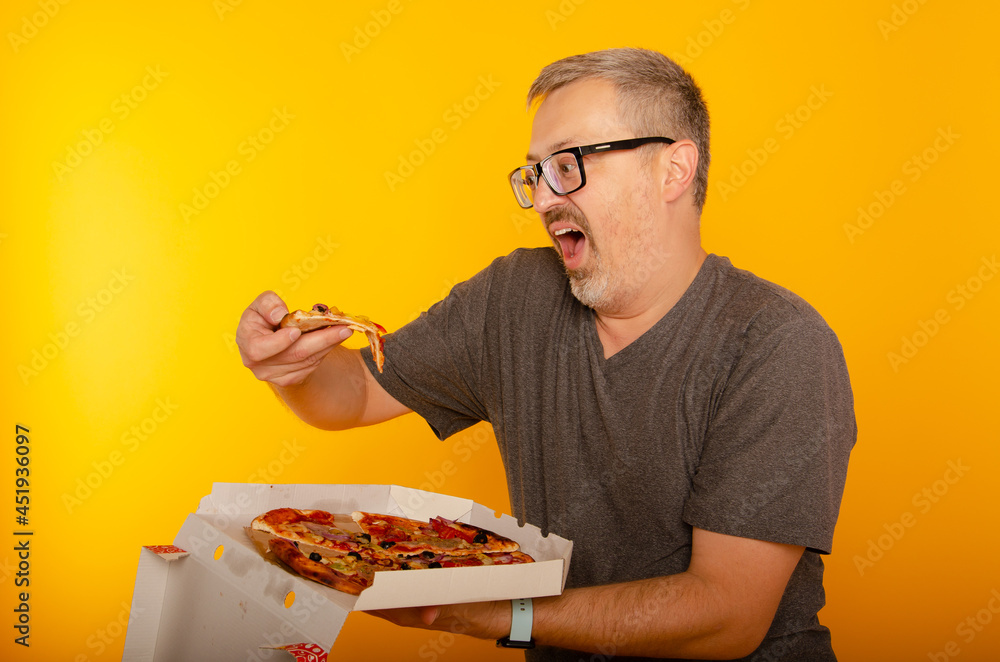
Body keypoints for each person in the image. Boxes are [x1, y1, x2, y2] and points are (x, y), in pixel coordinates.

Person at [236, 48, 856, 661]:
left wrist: (494, 614)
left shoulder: (776, 343)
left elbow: (726, 617)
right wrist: (292, 368)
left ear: (673, 170)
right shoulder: (514, 297)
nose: (541, 199)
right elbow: (353, 394)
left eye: (568, 164)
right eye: (535, 174)